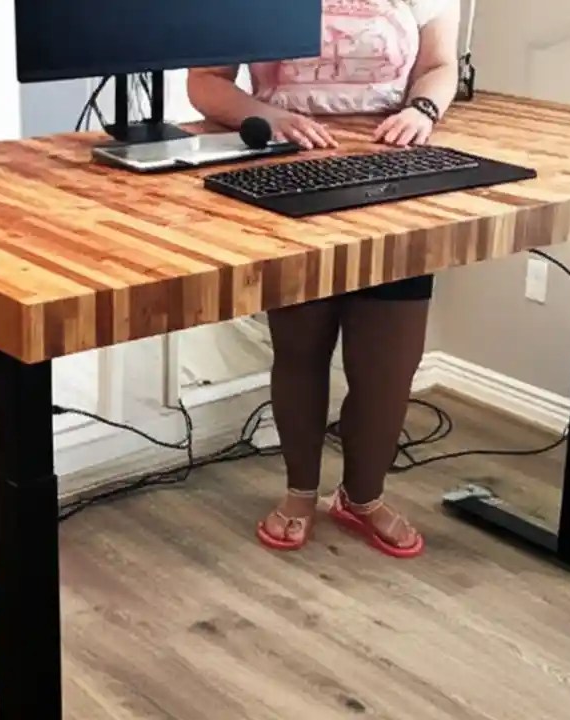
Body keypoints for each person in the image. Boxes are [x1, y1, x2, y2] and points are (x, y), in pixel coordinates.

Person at [188, 0, 461, 559]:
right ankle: (299, 493)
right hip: (290, 170)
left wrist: (424, 110)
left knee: (391, 363)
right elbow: (206, 85)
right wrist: (267, 118)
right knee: (300, 349)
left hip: (393, 168)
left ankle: (362, 498)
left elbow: (439, 63)